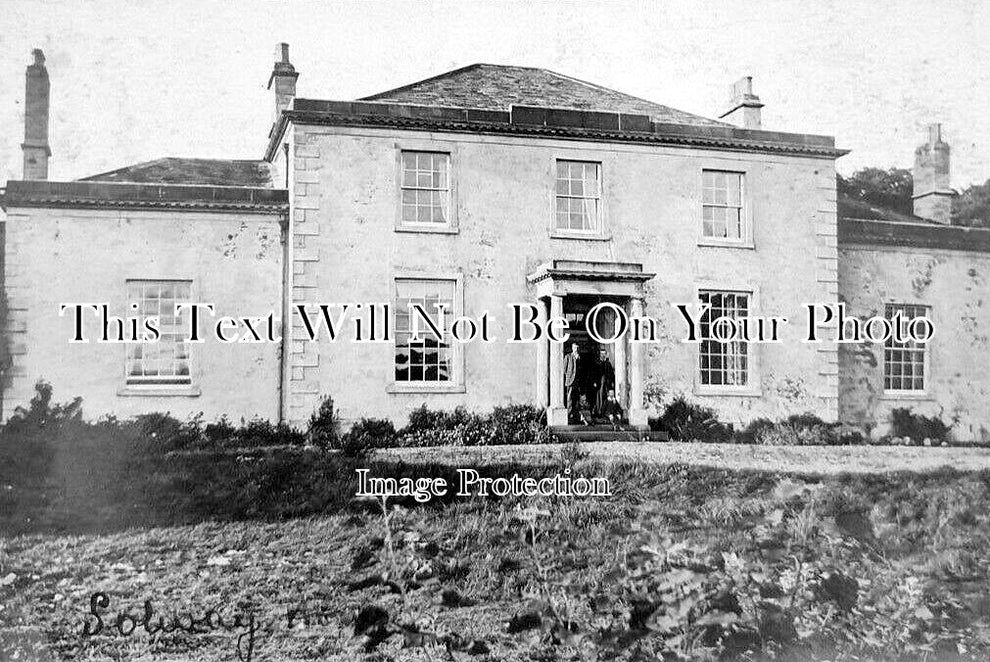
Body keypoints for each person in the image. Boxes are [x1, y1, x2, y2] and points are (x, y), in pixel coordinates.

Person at [594, 347, 615, 417]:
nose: (603, 355)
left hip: (607, 383)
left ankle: (606, 412)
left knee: (607, 397)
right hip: (599, 383)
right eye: (601, 354)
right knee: (599, 397)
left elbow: (611, 374)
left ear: (606, 354)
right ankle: (599, 411)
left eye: (604, 354)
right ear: (599, 355)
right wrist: (594, 382)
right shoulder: (597, 363)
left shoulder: (608, 363)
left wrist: (612, 382)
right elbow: (594, 374)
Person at [563, 342, 580, 420]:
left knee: (576, 398)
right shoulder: (568, 357)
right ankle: (569, 413)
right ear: (572, 348)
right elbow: (564, 369)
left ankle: (575, 414)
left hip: (577, 381)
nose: (575, 349)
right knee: (569, 397)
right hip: (570, 380)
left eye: (577, 347)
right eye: (574, 347)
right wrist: (568, 377)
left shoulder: (579, 357)